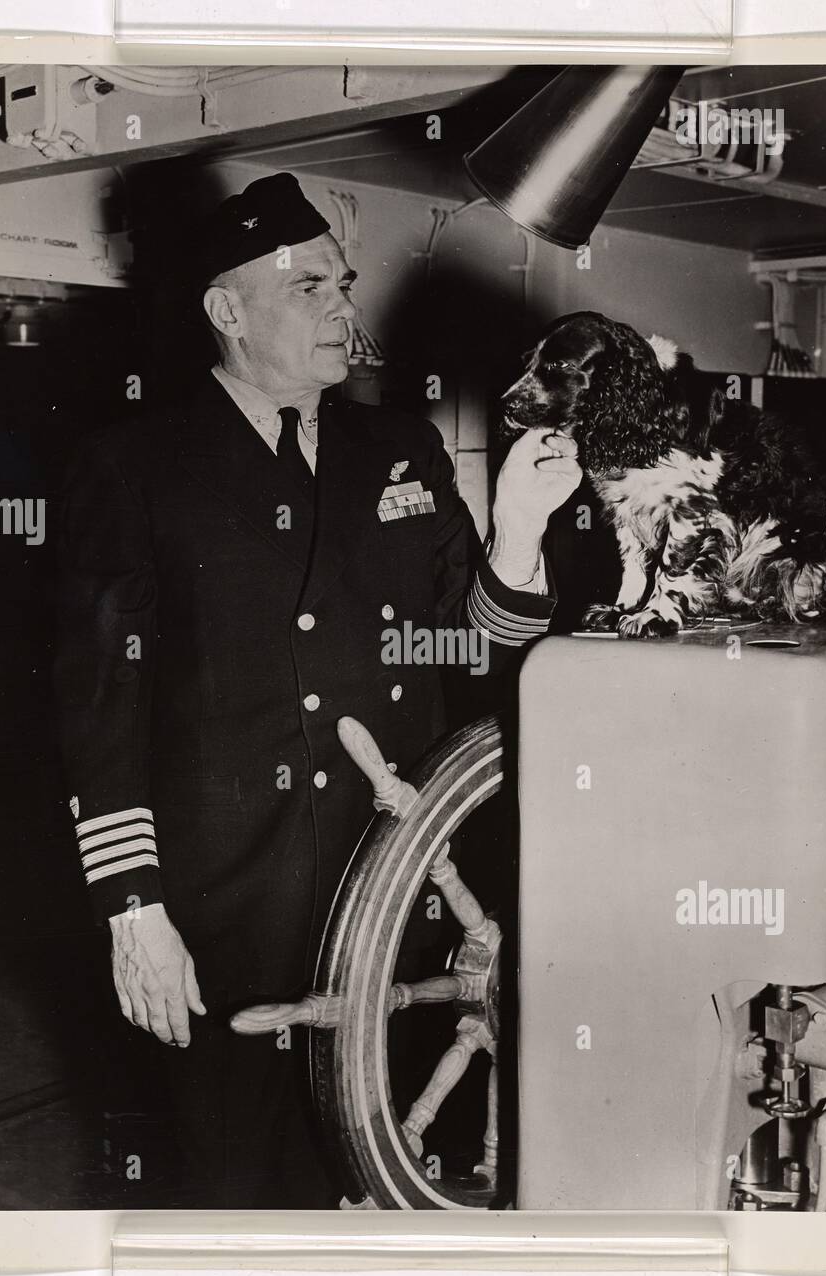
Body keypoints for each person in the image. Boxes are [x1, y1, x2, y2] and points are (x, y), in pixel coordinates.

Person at [53, 172, 580, 1207]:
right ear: (227, 310)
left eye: (342, 286)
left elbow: (465, 651)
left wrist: (516, 539)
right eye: (309, 291)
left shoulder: (402, 449)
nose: (346, 311)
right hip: (228, 910)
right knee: (242, 1178)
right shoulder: (131, 467)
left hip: (396, 888)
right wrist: (133, 908)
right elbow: (97, 703)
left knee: (394, 1170)